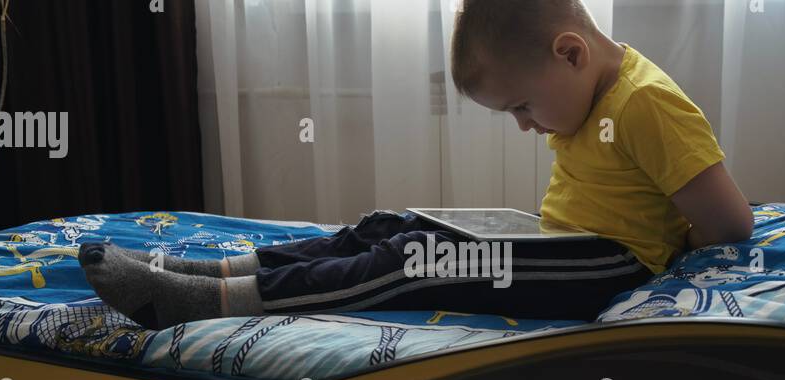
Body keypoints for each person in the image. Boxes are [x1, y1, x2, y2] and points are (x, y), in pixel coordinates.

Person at [79, 0, 751, 330]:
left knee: (418, 259)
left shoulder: (647, 104)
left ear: (570, 53)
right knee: (388, 229)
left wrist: (678, 246)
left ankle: (203, 302)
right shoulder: (589, 92)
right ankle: (214, 265)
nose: (524, 125)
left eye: (521, 105)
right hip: (566, 248)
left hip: (610, 263)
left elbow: (730, 219)